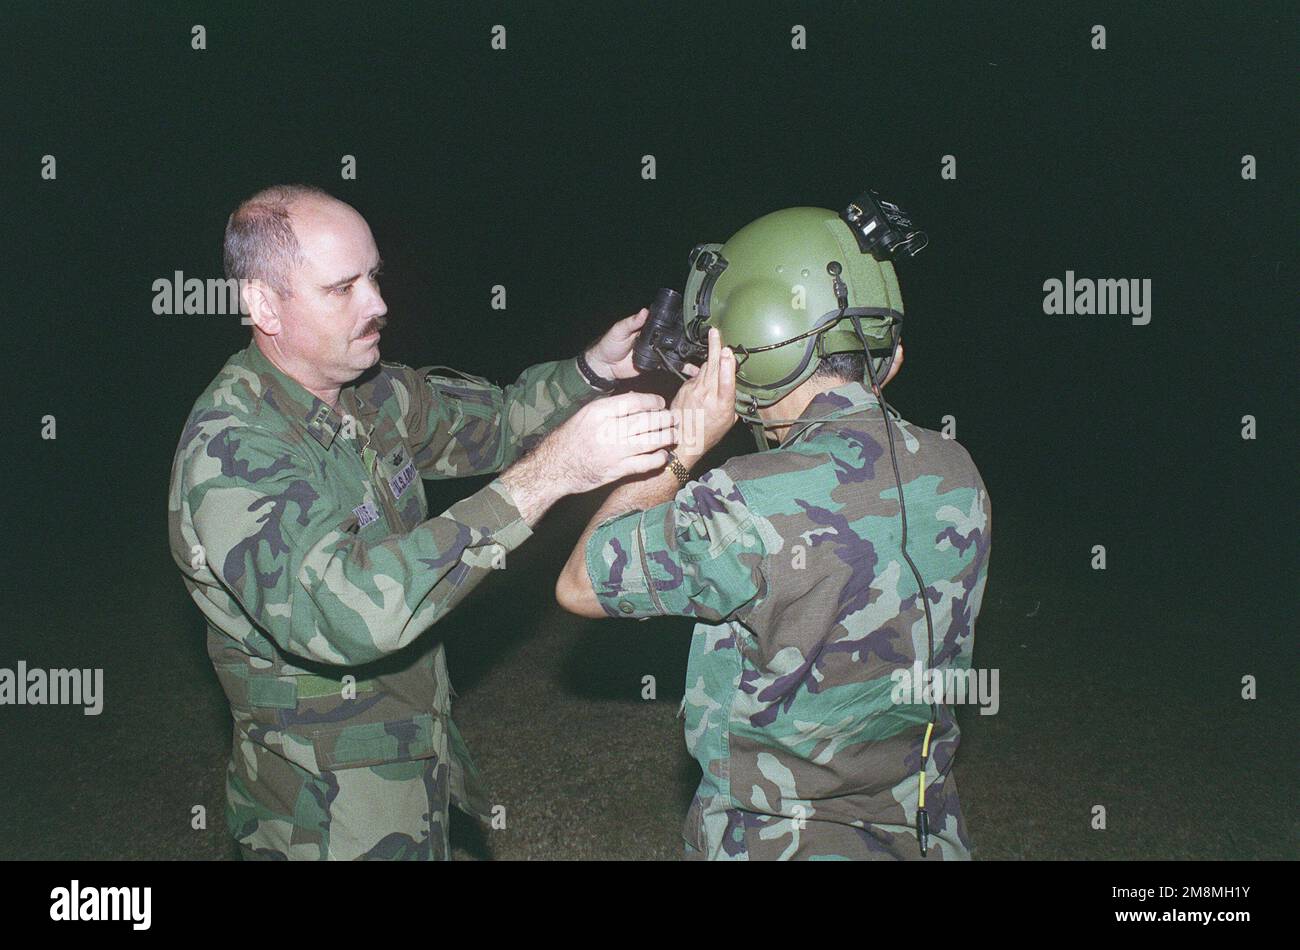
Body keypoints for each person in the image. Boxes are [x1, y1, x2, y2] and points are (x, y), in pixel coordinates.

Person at [168, 184, 675, 860]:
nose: (378, 304)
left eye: (373, 276)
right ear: (263, 305)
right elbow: (347, 612)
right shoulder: (235, 449)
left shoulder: (369, 392)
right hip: (324, 811)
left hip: (413, 755)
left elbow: (497, 422)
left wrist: (595, 370)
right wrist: (553, 475)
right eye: (341, 288)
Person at [557, 205, 992, 860]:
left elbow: (581, 582)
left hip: (776, 839)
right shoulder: (957, 469)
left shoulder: (745, 498)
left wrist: (680, 450)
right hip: (925, 829)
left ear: (756, 344)